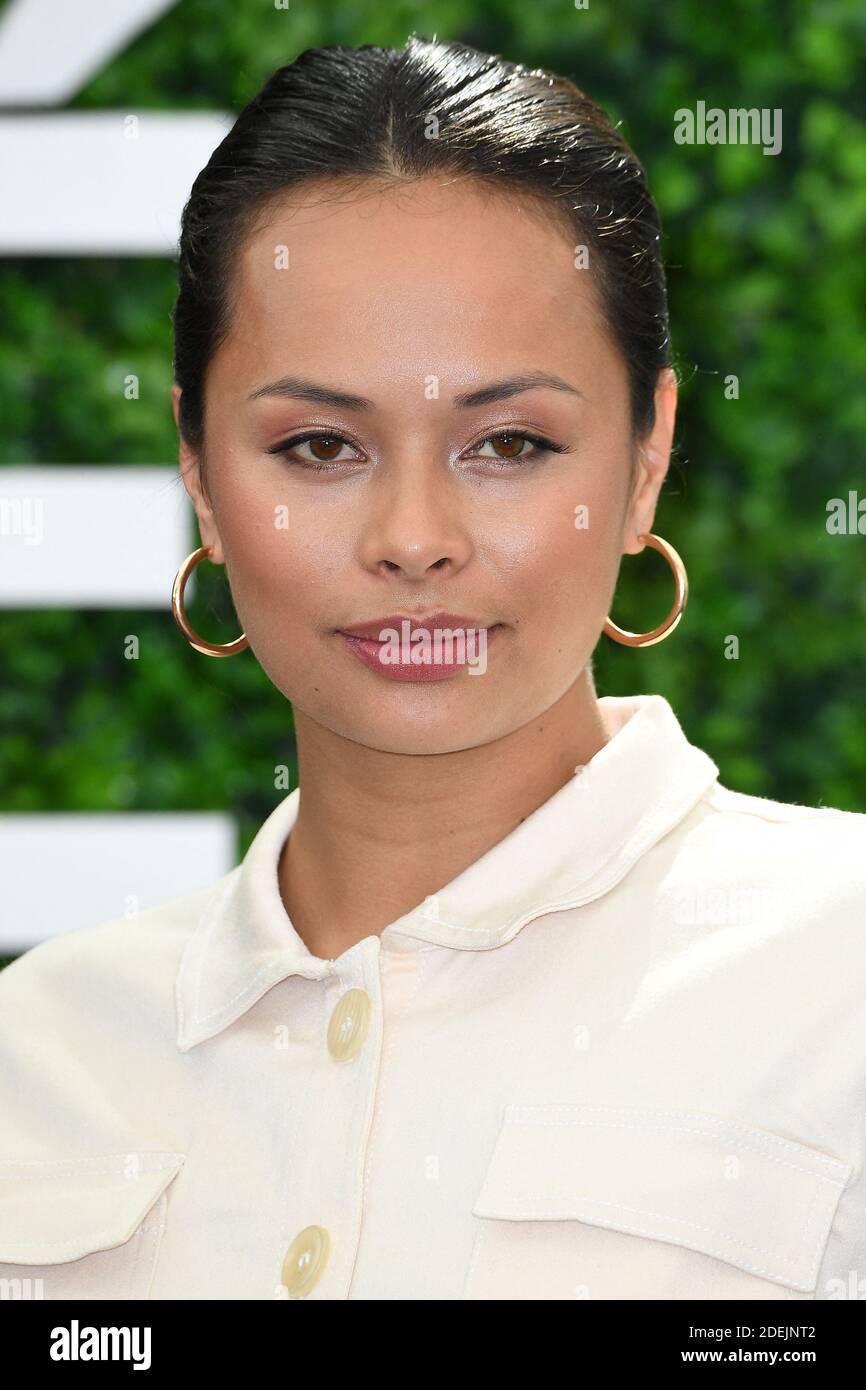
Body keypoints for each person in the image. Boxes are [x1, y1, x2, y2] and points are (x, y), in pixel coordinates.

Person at [1, 34, 864, 1303]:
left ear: (644, 457)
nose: (413, 540)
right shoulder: (44, 1045)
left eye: (507, 441)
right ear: (197, 469)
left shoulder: (835, 958)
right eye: (316, 447)